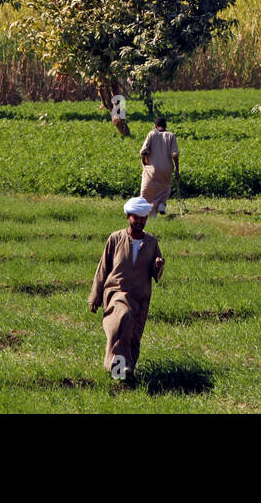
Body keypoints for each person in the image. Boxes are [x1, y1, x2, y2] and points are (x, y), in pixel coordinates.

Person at [88, 197, 165, 380]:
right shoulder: (115, 238)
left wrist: (158, 265)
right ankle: (118, 369)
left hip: (140, 297)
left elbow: (156, 275)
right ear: (127, 216)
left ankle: (123, 372)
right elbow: (103, 269)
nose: (139, 221)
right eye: (135, 217)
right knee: (123, 317)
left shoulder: (152, 243)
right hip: (116, 293)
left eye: (143, 217)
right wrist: (95, 297)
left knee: (131, 334)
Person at [138, 117, 179, 216]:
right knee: (164, 189)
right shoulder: (171, 136)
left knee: (148, 191)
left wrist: (144, 163)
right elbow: (175, 155)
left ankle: (151, 212)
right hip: (167, 169)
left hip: (153, 168)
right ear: (165, 126)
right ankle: (161, 205)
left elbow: (144, 151)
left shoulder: (152, 134)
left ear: (155, 126)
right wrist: (177, 170)